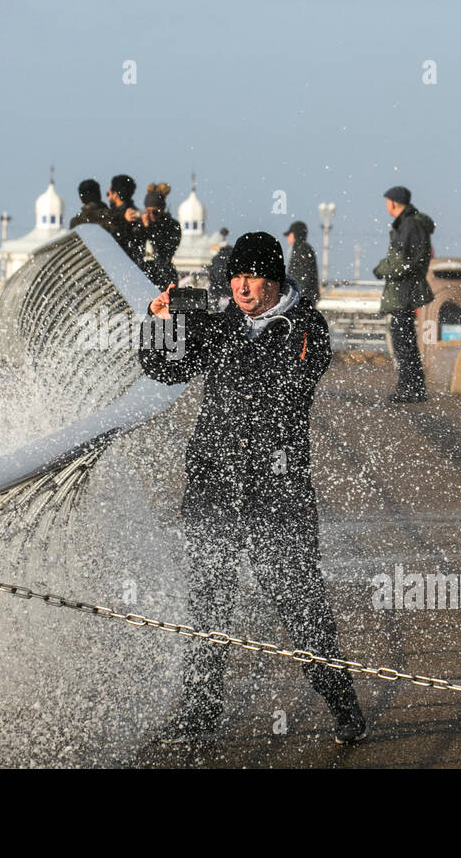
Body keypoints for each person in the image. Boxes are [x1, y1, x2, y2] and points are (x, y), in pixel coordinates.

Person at [138, 231, 369, 745]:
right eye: (235, 277)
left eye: (252, 277)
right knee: (208, 602)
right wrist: (160, 326)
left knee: (299, 602)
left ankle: (341, 703)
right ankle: (199, 715)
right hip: (213, 484)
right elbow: (162, 368)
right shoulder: (223, 322)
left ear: (274, 277)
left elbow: (279, 385)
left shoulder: (306, 327)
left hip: (277, 491)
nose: (241, 288)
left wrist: (211, 330)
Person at [372, 186, 435, 404]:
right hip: (405, 290)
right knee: (404, 340)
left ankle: (411, 389)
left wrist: (381, 269)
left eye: (387, 202)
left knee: (403, 342)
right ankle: (412, 387)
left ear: (394, 203)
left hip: (404, 292)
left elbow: (403, 261)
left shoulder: (409, 225)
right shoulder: (411, 224)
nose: (386, 206)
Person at [140, 182, 181, 291]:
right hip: (144, 273)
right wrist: (142, 227)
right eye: (148, 211)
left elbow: (164, 250)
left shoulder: (172, 226)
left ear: (162, 210)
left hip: (164, 275)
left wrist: (150, 228)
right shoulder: (140, 225)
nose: (151, 215)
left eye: (155, 211)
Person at [105, 173, 146, 264]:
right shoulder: (138, 214)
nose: (108, 197)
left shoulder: (113, 215)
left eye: (108, 194)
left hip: (119, 263)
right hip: (136, 265)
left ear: (115, 195)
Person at [284, 220, 320, 306]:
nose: (287, 237)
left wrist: (298, 296)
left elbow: (304, 276)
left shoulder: (302, 249)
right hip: (304, 296)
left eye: (289, 234)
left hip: (303, 298)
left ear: (294, 235)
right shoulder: (303, 248)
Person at [206, 228, 232, 308]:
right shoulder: (232, 257)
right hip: (230, 288)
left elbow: (211, 274)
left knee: (215, 309)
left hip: (216, 288)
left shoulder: (216, 258)